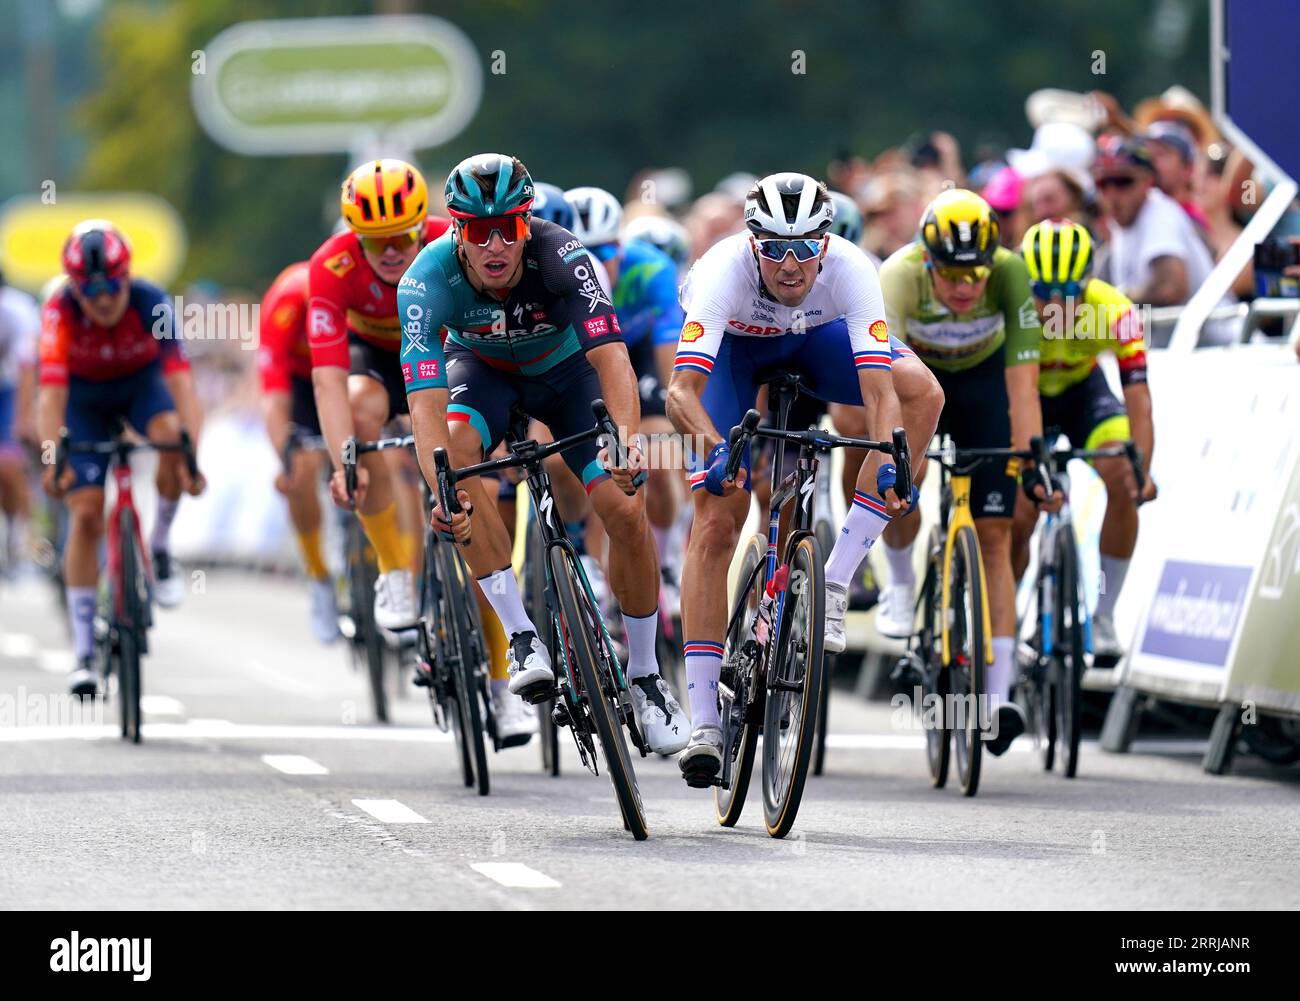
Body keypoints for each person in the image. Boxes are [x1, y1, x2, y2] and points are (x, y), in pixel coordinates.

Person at [398, 153, 689, 755]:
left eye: (510, 225)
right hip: (484, 373)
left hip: (565, 375)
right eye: (480, 231)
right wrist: (440, 488)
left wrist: (625, 444)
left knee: (626, 508)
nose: (497, 242)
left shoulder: (564, 256)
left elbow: (612, 360)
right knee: (455, 458)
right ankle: (522, 635)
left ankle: (645, 678)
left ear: (528, 222)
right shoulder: (425, 282)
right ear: (458, 231)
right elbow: (424, 399)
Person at [666, 172, 944, 780]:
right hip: (736, 356)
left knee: (922, 392)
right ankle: (705, 718)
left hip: (815, 343)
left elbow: (879, 389)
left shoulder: (852, 268)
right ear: (752, 242)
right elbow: (681, 392)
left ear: (825, 242)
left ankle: (836, 580)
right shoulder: (720, 272)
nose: (790, 265)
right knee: (717, 519)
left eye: (805, 248)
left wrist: (895, 456)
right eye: (774, 248)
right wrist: (719, 452)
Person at [876, 189, 1059, 755]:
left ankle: (998, 696)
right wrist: (896, 457)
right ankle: (902, 587)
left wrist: (1030, 461)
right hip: (916, 382)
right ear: (928, 260)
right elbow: (881, 383)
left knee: (997, 536)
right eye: (951, 274)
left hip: (982, 389)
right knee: (902, 491)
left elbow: (1022, 384)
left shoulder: (1011, 273)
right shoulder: (898, 275)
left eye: (974, 274)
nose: (963, 286)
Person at [38, 221, 205, 696]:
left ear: (127, 275)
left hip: (140, 388)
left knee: (172, 436)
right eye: (89, 289)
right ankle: (84, 650)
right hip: (83, 401)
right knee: (87, 512)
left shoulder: (151, 302)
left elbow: (182, 384)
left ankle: (160, 544)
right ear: (73, 287)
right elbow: (50, 398)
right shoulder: (60, 310)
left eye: (112, 284)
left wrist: (192, 455)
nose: (103, 298)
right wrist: (53, 458)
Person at [306, 158, 450, 630]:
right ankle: (393, 570)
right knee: (356, 407)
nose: (389, 251)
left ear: (420, 228)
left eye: (401, 236)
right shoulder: (330, 265)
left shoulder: (450, 241)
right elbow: (327, 378)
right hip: (374, 355)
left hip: (443, 341)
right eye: (374, 240)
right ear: (355, 235)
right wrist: (343, 461)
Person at [1014, 219, 1156, 659]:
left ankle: (1105, 616)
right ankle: (998, 621)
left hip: (1083, 396)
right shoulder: (1008, 307)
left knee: (1123, 477)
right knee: (1019, 512)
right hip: (1025, 394)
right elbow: (1013, 395)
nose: (1056, 304)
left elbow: (1138, 399)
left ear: (1090, 281)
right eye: (1044, 292)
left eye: (1069, 292)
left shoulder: (1115, 310)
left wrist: (1142, 472)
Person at [566, 186, 688, 608]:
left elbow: (673, 368)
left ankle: (668, 554)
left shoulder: (652, 268)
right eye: (583, 252)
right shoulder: (555, 275)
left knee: (659, 448)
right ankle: (585, 553)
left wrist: (683, 419)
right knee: (575, 452)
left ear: (621, 246)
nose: (595, 264)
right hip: (581, 356)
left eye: (603, 252)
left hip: (637, 353)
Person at [257, 260, 338, 643]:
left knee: (382, 453)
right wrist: (285, 453)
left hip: (344, 370)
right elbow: (273, 397)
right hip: (301, 383)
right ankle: (319, 576)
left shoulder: (349, 299)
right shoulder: (285, 304)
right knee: (300, 470)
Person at [0, 271, 40, 573]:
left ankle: (21, 534)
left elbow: (28, 370)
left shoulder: (17, 310)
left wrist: (23, 419)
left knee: (7, 465)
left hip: (12, 387)